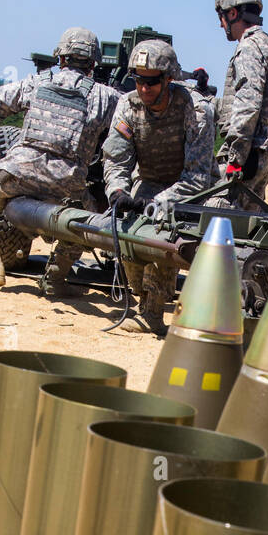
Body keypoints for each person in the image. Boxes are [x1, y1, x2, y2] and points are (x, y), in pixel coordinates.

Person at [0, 28, 119, 291]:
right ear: (93, 63)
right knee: (85, 222)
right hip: (67, 186)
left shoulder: (37, 83)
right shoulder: (106, 97)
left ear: (61, 58)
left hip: (17, 176)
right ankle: (55, 279)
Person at [102, 39, 215, 333]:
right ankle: (142, 296)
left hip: (191, 191)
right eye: (138, 80)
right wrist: (118, 192)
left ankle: (152, 311)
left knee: (166, 235)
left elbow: (199, 176)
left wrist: (157, 203)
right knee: (128, 234)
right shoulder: (127, 105)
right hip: (148, 182)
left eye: (151, 82)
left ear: (169, 79)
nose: (143, 89)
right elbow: (116, 158)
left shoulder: (197, 110)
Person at [213, 0, 268, 200]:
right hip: (267, 152)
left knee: (214, 216)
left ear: (233, 13)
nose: (221, 25)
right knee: (247, 221)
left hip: (248, 155)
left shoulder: (249, 47)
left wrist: (235, 159)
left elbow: (248, 105)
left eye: (221, 17)